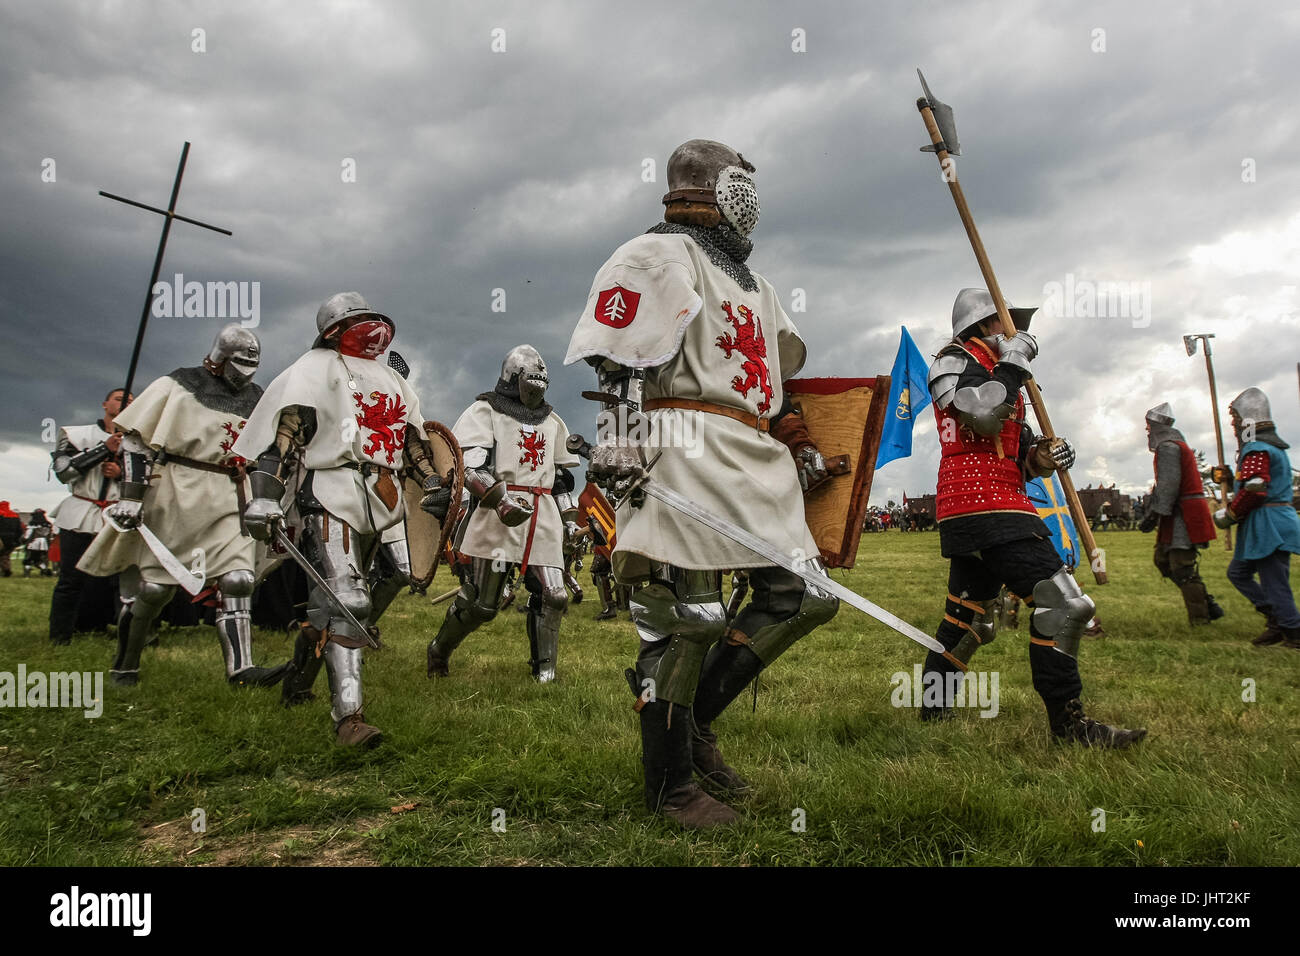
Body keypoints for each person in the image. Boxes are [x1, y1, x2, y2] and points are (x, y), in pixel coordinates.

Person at [564, 138, 839, 827]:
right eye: (745, 182)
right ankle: (672, 786)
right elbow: (618, 353)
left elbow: (777, 381)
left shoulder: (755, 283)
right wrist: (620, 439)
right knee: (690, 619)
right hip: (681, 441)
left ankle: (693, 726)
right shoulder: (658, 253)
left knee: (805, 595)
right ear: (721, 188)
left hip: (752, 450)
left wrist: (798, 440)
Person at [921, 287, 1145, 747]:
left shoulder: (1002, 376)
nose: (1016, 329)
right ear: (985, 324)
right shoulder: (953, 360)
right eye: (1007, 321)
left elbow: (1018, 457)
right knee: (1067, 606)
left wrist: (1045, 457)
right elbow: (981, 414)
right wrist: (1016, 359)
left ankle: (930, 715)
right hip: (986, 506)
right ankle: (1070, 728)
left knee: (968, 621)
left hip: (995, 500)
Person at [235, 293, 449, 747]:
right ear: (334, 328)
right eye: (357, 320)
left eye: (370, 319)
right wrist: (265, 497)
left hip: (382, 493)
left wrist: (432, 483)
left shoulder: (391, 378)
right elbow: (285, 435)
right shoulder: (313, 370)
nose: (367, 327)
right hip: (330, 488)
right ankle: (349, 719)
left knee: (333, 604)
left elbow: (409, 438)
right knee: (350, 600)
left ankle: (296, 680)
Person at [79, 325, 289, 690]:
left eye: (252, 363)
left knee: (238, 579)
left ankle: (242, 671)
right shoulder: (178, 384)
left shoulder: (258, 397)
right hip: (176, 489)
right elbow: (136, 441)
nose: (246, 371)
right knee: (156, 590)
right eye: (239, 361)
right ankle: (126, 664)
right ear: (220, 357)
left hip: (230, 491)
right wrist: (130, 495)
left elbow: (269, 452)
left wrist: (264, 496)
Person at [425, 345, 580, 683]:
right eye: (530, 381)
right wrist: (501, 502)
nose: (536, 390)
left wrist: (570, 521)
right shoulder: (485, 412)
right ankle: (438, 650)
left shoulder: (552, 421)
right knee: (483, 606)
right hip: (497, 511)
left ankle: (545, 673)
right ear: (513, 379)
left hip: (542, 515)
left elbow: (562, 479)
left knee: (554, 595)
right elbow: (471, 468)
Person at [1214, 388, 1300, 648]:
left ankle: (1293, 631)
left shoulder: (1257, 449)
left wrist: (1230, 514)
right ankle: (1276, 617)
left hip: (1269, 522)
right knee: (1238, 572)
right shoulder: (1265, 449)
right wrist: (1230, 479)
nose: (1233, 425)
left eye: (1235, 420)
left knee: (1274, 581)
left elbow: (1256, 489)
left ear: (1247, 420)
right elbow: (1253, 482)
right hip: (1267, 520)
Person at [47, 387, 131, 644]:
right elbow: (64, 472)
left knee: (120, 580)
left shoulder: (141, 441)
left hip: (118, 512)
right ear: (105, 404)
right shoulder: (75, 434)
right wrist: (103, 450)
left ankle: (121, 633)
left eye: (130, 401)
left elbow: (150, 480)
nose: (124, 404)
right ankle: (60, 636)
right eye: (119, 399)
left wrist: (120, 474)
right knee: (71, 579)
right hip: (81, 510)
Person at [1137, 403, 1222, 624]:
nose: (1147, 430)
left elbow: (1168, 486)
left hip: (1184, 514)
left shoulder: (1169, 447)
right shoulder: (1173, 445)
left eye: (1149, 426)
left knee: (1182, 566)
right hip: (1177, 514)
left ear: (1157, 425)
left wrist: (1153, 515)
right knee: (1162, 559)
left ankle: (1201, 617)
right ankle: (1207, 602)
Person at [21, 509, 53, 576]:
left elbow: (27, 536)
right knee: (38, 559)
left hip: (33, 544)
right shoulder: (48, 525)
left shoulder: (33, 525)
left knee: (29, 559)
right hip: (44, 545)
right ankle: (45, 570)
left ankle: (27, 573)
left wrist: (23, 540)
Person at [0, 501, 22, 577]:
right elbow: (19, 530)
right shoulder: (15, 516)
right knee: (6, 555)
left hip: (1, 539)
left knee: (2, 555)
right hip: (12, 539)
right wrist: (17, 540)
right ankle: (6, 569)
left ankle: (5, 570)